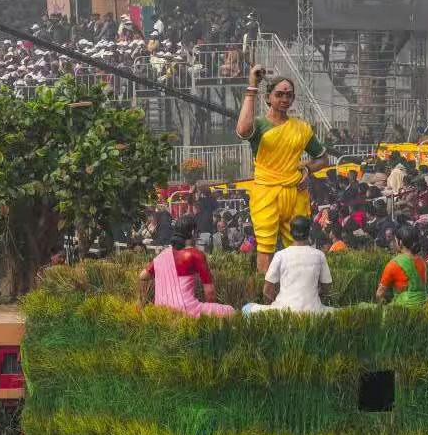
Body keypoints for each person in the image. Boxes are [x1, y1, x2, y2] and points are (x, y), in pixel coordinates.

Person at [236, 66, 330, 273]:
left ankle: (296, 293)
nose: (284, 99)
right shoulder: (259, 125)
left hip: (295, 192)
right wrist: (252, 85)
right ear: (268, 98)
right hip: (266, 192)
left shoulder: (301, 128)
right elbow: (242, 130)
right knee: (266, 246)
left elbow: (323, 159)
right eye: (279, 94)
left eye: (289, 95)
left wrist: (307, 169)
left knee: (298, 247)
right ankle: (267, 300)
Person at [138, 216, 234, 316]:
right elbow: (209, 292)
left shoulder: (163, 255)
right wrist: (212, 311)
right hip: (187, 309)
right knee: (230, 311)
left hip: (162, 311)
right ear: (192, 232)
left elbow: (143, 276)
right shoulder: (195, 254)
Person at [242, 216, 333, 314]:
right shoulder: (319, 255)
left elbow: (267, 290)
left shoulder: (280, 255)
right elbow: (327, 286)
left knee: (247, 308)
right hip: (314, 311)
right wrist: (316, 301)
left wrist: (272, 305)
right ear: (308, 232)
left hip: (283, 311)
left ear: (291, 232)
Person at [375, 224, 428, 306]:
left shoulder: (394, 264)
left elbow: (380, 293)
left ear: (400, 242)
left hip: (403, 309)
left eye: (395, 240)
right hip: (423, 305)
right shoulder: (422, 262)